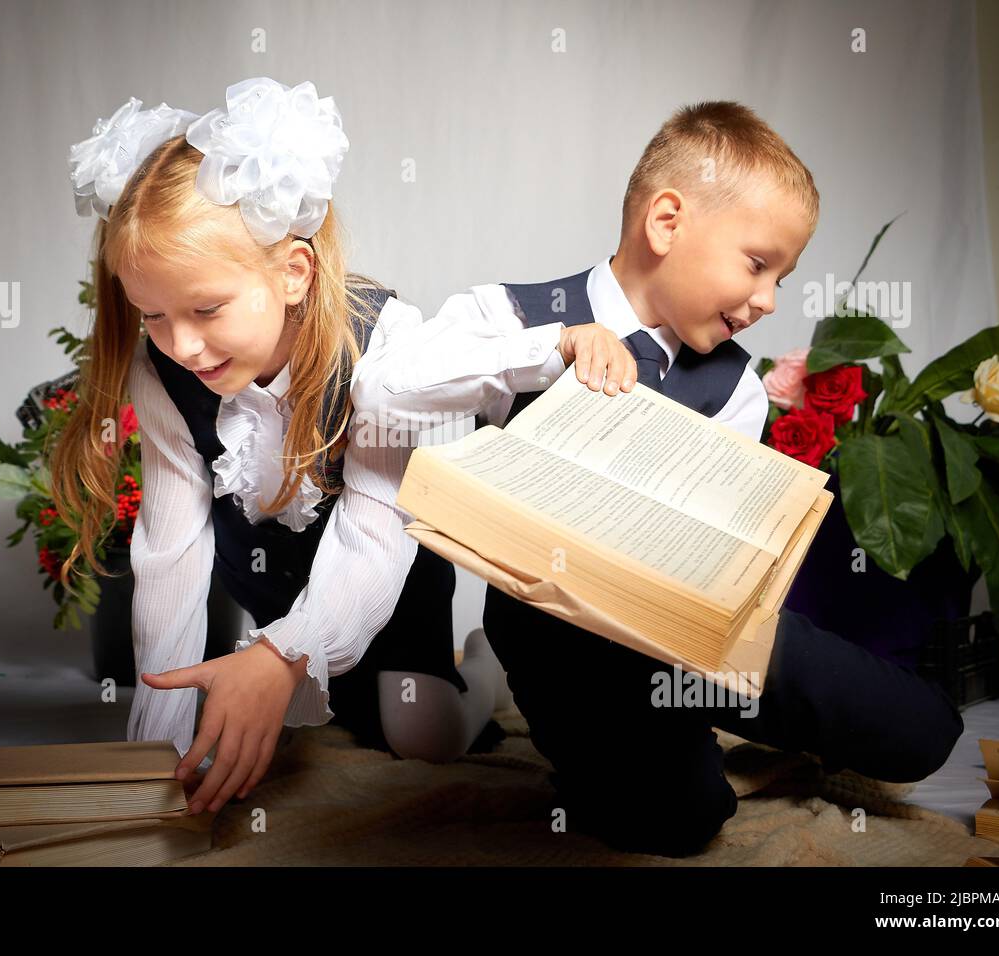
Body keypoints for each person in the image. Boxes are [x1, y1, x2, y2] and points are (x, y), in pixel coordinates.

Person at [355, 101, 964, 856]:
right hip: (560, 633)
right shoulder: (514, 315)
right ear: (667, 223)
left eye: (783, 276)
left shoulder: (736, 387)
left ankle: (728, 724)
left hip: (691, 627)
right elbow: (382, 390)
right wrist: (551, 349)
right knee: (682, 818)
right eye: (758, 264)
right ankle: (586, 717)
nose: (769, 299)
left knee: (924, 731)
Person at [49, 79, 619, 819]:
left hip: (387, 573)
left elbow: (373, 537)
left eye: (206, 309)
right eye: (153, 315)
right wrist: (157, 746)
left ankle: (479, 668)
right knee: (281, 712)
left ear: (293, 274)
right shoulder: (164, 373)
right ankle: (314, 675)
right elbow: (172, 550)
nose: (181, 343)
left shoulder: (380, 348)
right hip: (271, 583)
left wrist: (286, 654)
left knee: (423, 733)